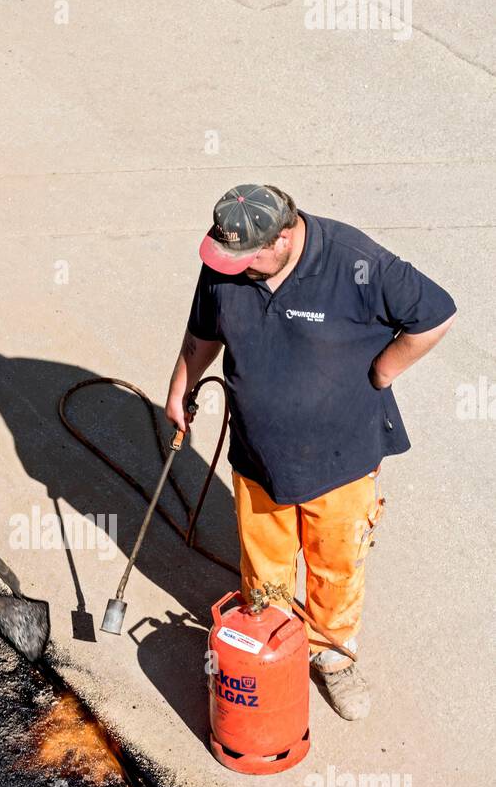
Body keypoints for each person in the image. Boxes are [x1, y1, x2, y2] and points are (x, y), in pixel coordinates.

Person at [166, 183, 456, 719]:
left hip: (341, 459)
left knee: (336, 561)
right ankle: (271, 639)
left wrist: (384, 371)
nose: (229, 267)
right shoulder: (226, 260)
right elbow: (203, 328)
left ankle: (332, 654)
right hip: (257, 455)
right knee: (264, 561)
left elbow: (435, 314)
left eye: (244, 257)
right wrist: (181, 383)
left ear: (282, 237)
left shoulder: (356, 262)